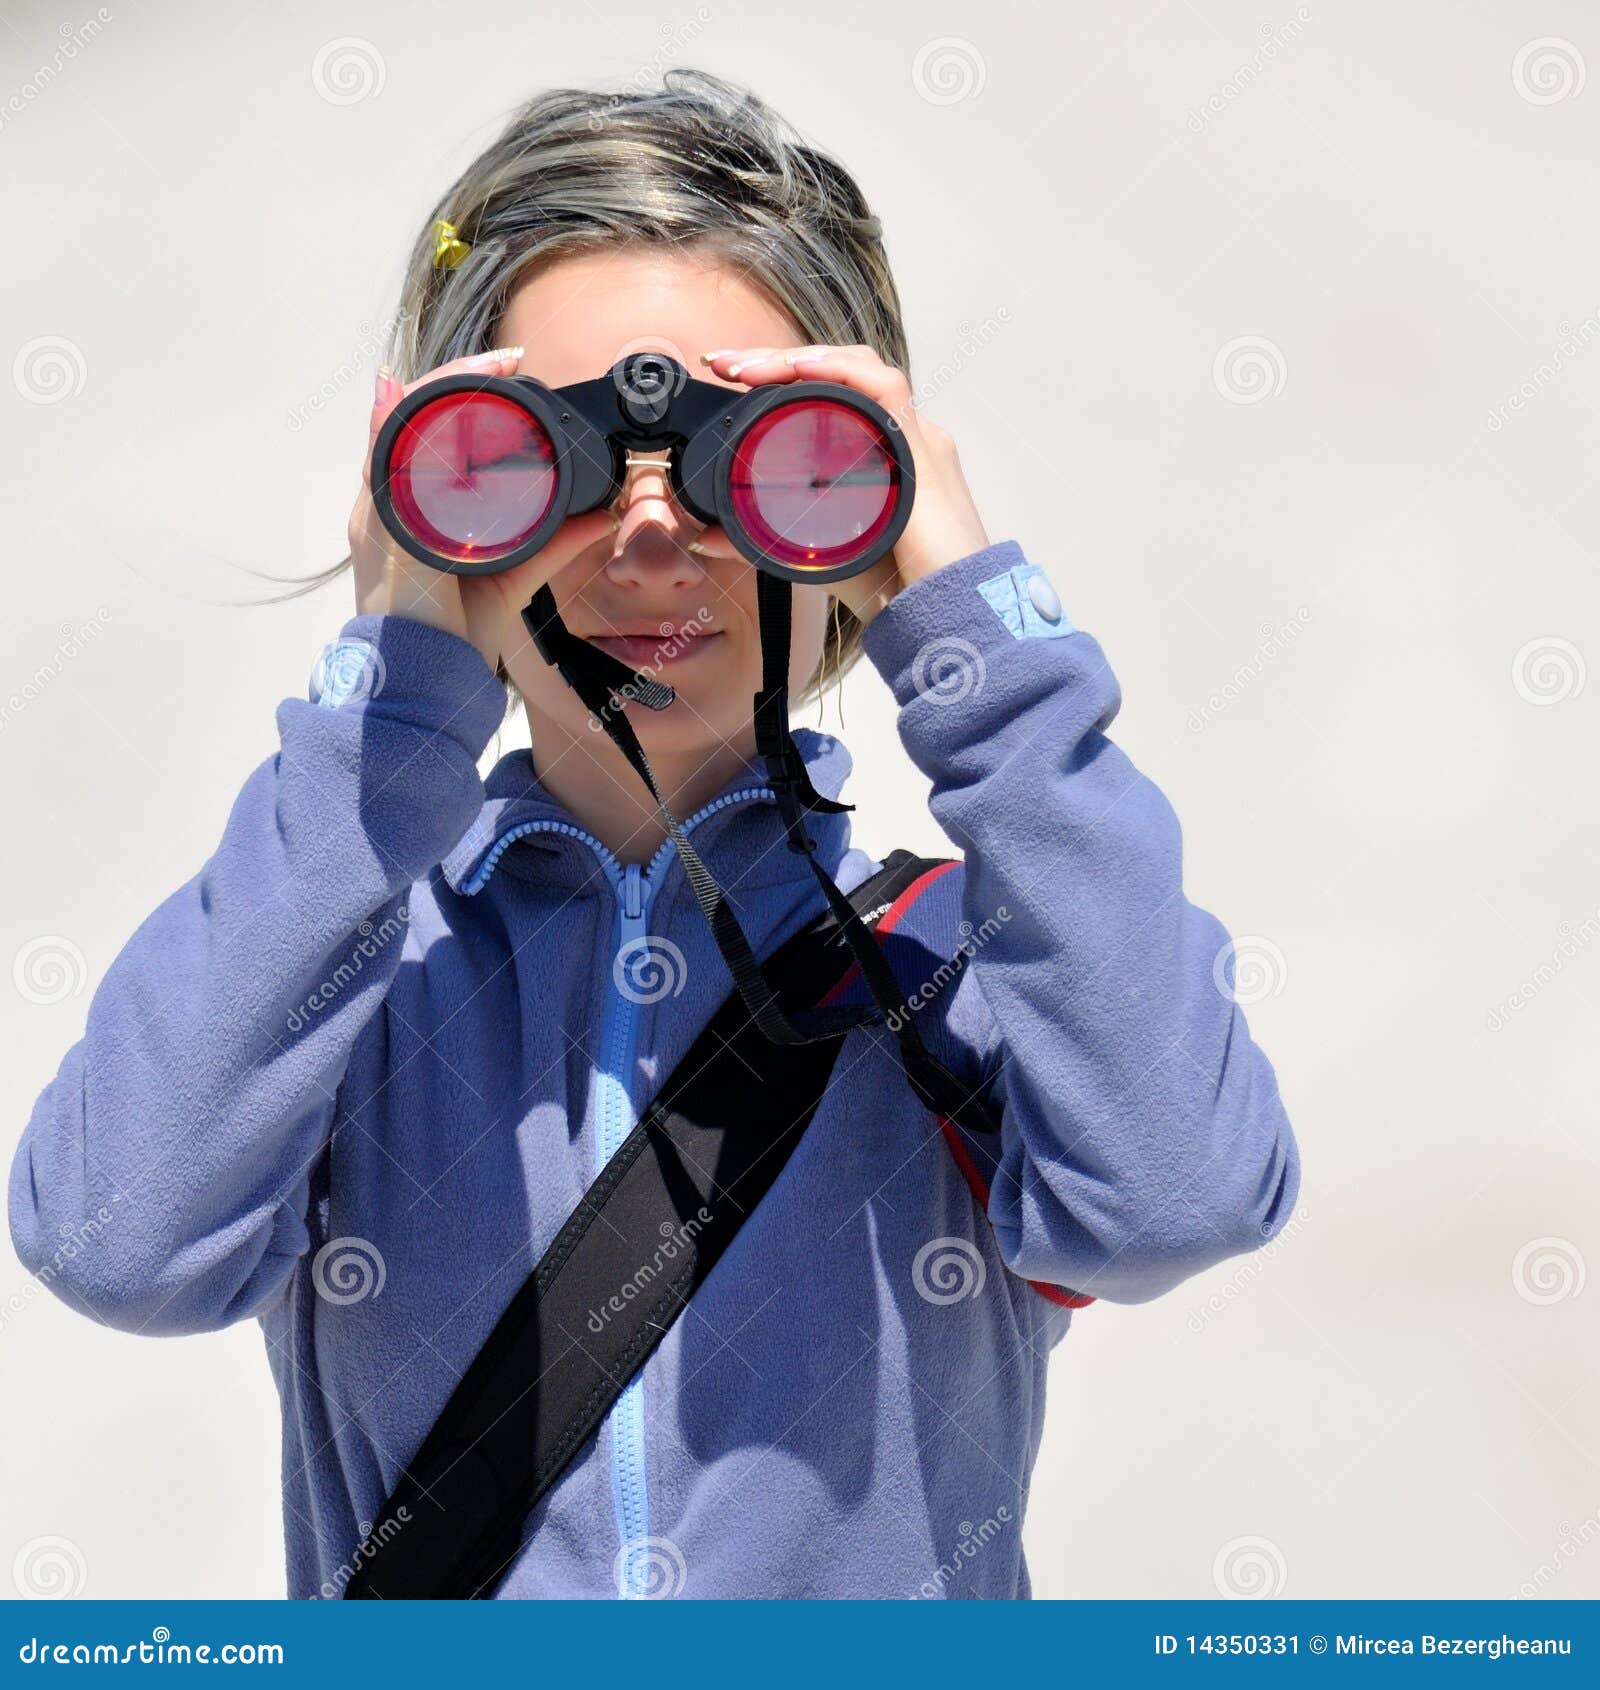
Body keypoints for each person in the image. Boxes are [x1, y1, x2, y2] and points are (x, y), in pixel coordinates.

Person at [8, 68, 1300, 1601]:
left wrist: (984, 646)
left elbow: (1179, 1200)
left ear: (869, 505)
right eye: (527, 458)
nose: (648, 529)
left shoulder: (968, 959)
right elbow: (115, 1243)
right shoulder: (341, 968)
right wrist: (386, 713)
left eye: (759, 455)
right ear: (433, 495)